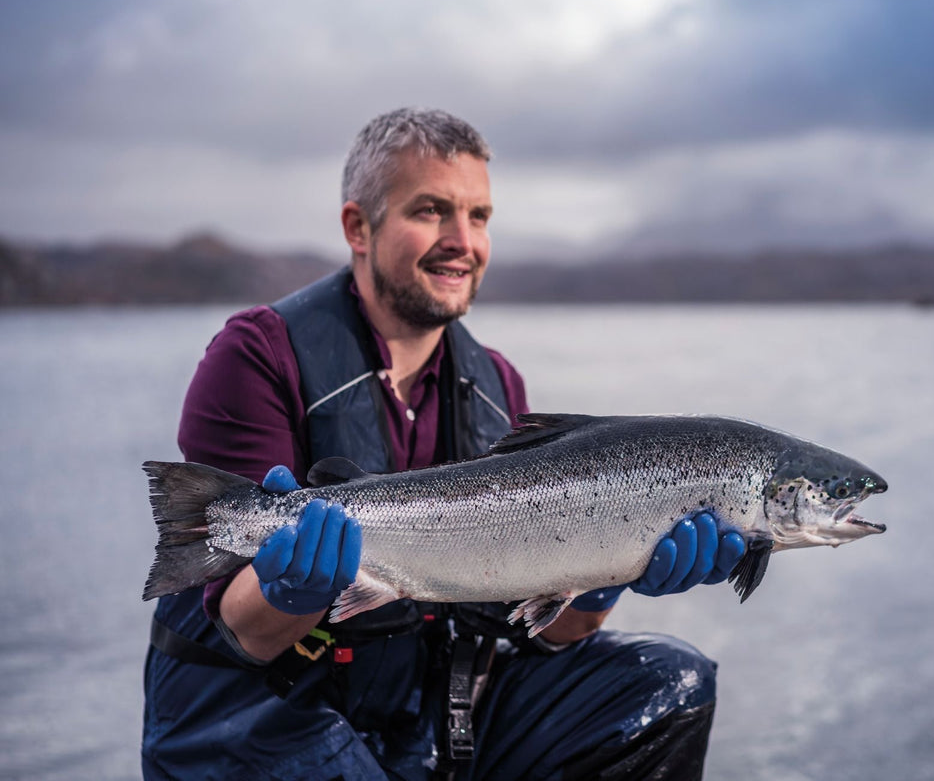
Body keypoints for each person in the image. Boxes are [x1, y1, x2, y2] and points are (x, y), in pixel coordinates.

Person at [142, 107, 746, 780]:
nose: (463, 239)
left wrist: (613, 572)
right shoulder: (258, 356)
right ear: (357, 228)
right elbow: (242, 631)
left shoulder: (499, 386)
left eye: (480, 216)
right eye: (431, 211)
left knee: (669, 681)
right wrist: (293, 589)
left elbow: (548, 636)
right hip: (256, 720)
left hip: (427, 716)